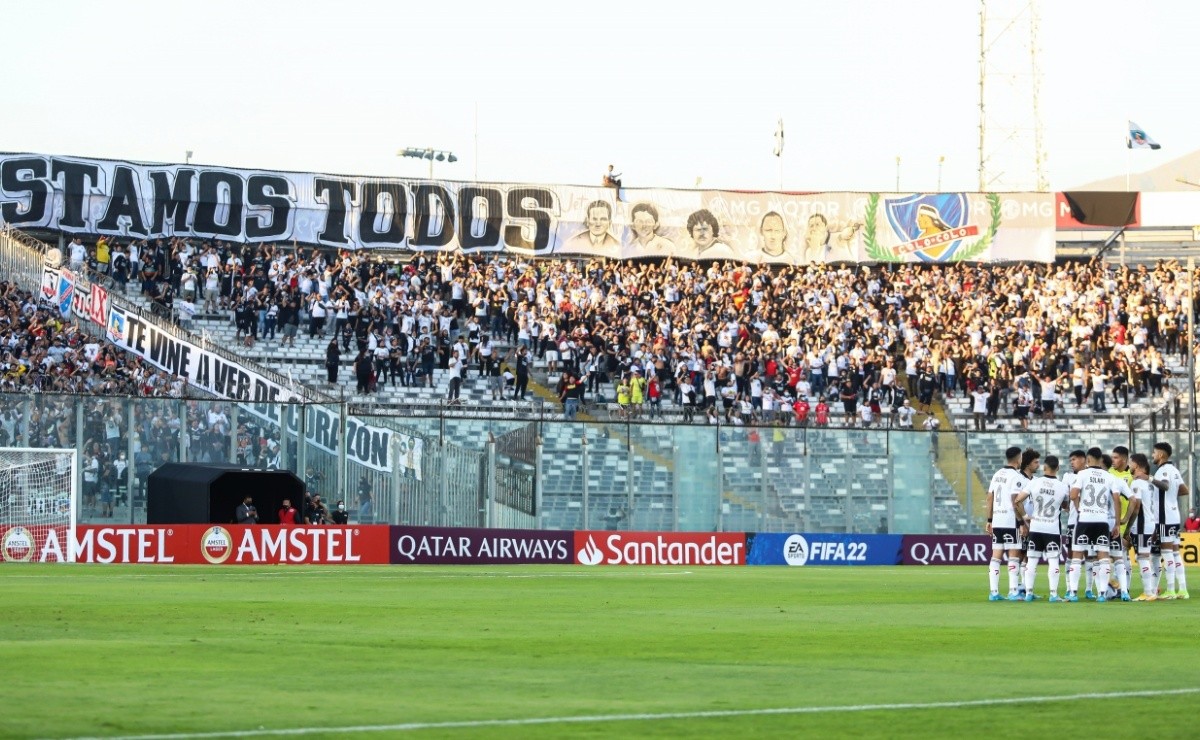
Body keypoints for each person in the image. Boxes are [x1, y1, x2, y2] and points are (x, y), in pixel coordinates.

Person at [1065, 448, 1120, 602]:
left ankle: (1073, 593)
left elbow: (1073, 494)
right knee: (1103, 558)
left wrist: (1078, 507)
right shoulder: (1108, 476)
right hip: (1102, 521)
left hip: (1085, 520)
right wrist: (1116, 523)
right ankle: (1102, 594)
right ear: (1100, 459)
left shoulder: (1082, 474)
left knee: (1076, 556)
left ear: (1088, 460)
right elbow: (1116, 499)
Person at [1017, 453, 1069, 602]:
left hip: (1036, 527)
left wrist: (1026, 516)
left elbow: (1017, 500)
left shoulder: (1035, 482)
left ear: (1044, 467)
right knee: (1053, 561)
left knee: (1032, 561)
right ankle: (1053, 595)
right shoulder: (1063, 487)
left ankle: (1028, 594)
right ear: (1057, 468)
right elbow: (1065, 505)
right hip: (1052, 529)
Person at [985, 446, 1028, 601]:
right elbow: (1015, 500)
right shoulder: (1015, 476)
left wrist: (989, 520)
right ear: (1019, 459)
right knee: (1014, 555)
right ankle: (1013, 591)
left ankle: (994, 592)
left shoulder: (997, 474)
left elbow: (989, 498)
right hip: (1010, 521)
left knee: (995, 557)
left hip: (997, 520)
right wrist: (1021, 522)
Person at [1150, 442, 1190, 599]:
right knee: (1175, 553)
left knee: (1167, 553)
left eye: (1154, 453)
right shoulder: (1174, 470)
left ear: (1160, 455)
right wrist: (1171, 497)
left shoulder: (1163, 471)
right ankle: (1183, 589)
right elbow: (1184, 490)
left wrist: (1150, 478)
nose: (1153, 456)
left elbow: (1165, 486)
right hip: (1175, 515)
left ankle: (1171, 590)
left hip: (1164, 517)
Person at [1126, 453, 1161, 601]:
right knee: (1146, 557)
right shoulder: (1149, 483)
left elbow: (1136, 506)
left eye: (1130, 462)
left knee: (1142, 557)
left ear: (1137, 465)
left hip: (1141, 524)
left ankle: (1148, 592)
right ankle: (1152, 590)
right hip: (1150, 522)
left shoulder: (1137, 483)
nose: (1129, 465)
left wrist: (1127, 527)